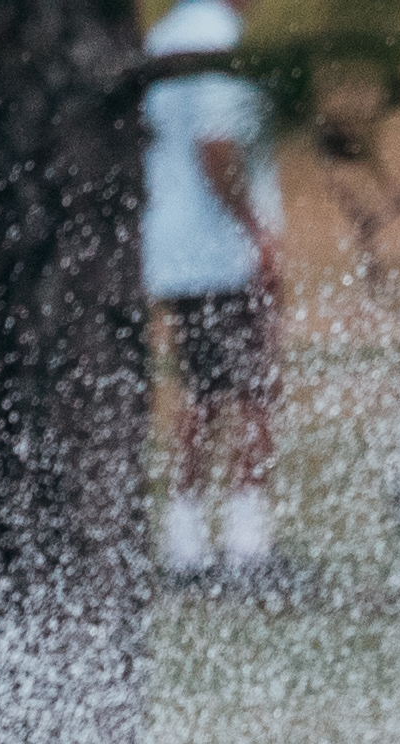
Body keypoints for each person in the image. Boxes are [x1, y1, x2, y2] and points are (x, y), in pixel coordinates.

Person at [140, 0, 285, 584]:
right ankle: (247, 543)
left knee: (201, 390)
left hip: (174, 244)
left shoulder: (166, 34)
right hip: (222, 248)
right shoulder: (221, 39)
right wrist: (257, 232)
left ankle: (187, 535)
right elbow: (217, 145)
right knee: (255, 386)